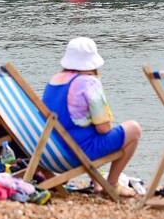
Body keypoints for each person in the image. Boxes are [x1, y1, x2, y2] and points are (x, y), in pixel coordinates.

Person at [42, 38, 141, 196]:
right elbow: (104, 128)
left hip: (49, 153)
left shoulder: (53, 81)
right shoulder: (88, 82)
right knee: (133, 129)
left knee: (83, 129)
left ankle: (97, 183)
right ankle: (112, 184)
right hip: (75, 154)